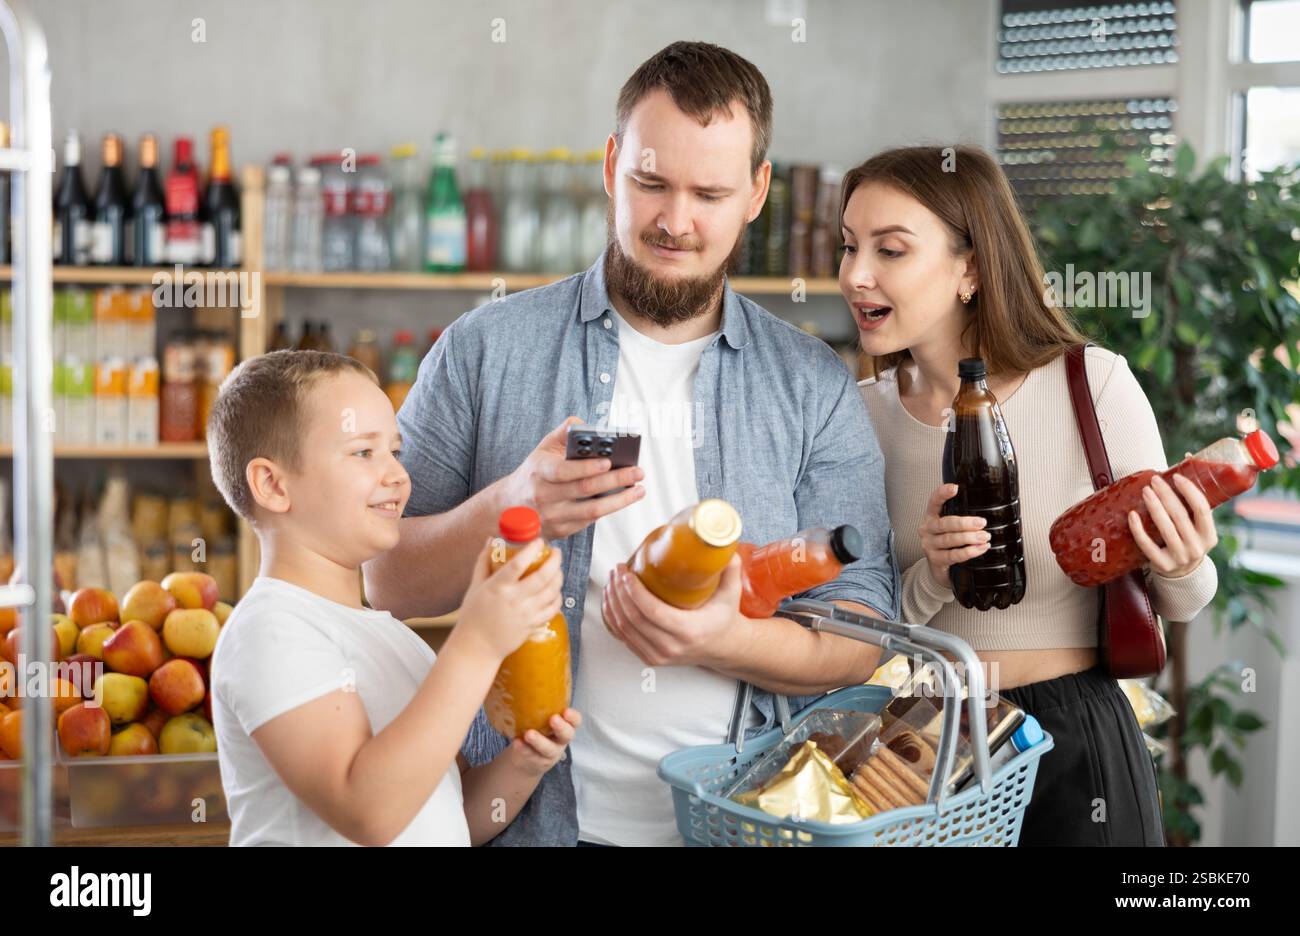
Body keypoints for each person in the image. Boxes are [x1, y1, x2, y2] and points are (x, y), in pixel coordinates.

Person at [364, 41, 898, 846]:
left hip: (742, 823)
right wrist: (509, 507)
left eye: (709, 193)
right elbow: (385, 579)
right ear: (612, 165)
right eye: (651, 182)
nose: (674, 221)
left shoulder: (810, 383)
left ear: (756, 192)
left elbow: (860, 635)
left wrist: (729, 640)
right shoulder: (485, 349)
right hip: (528, 823)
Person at [842, 144, 1218, 845]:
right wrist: (932, 575)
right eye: (848, 246)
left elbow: (1186, 602)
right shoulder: (860, 415)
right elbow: (849, 621)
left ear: (972, 268)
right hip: (923, 742)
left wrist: (1183, 562)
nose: (855, 275)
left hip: (1074, 741)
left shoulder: (1092, 384)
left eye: (890, 250)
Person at [208, 350, 580, 846]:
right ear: (273, 484)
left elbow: (451, 816)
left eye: (395, 452)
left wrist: (524, 765)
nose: (398, 476)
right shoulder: (271, 630)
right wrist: (477, 643)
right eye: (364, 453)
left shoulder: (395, 640)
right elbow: (369, 813)